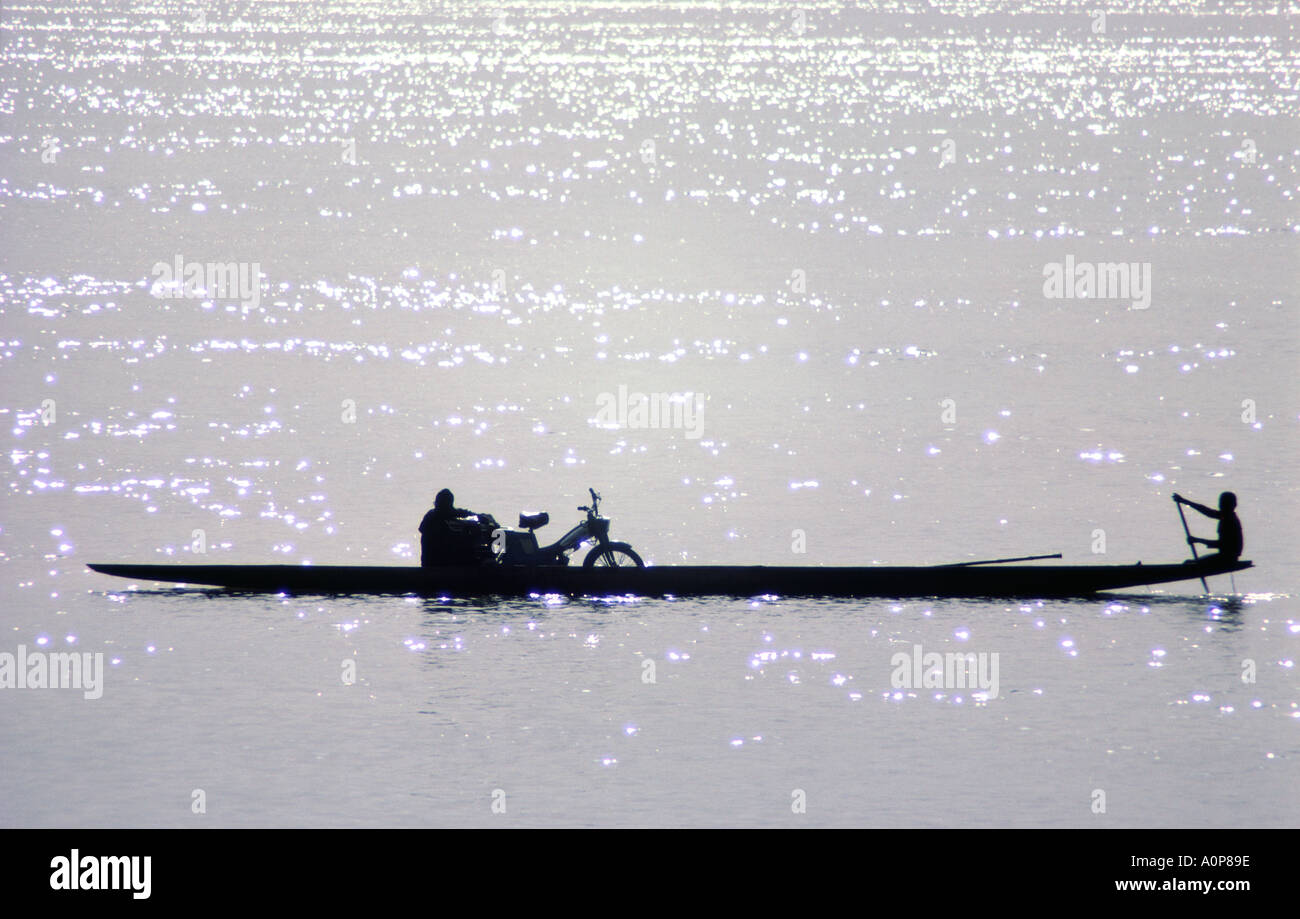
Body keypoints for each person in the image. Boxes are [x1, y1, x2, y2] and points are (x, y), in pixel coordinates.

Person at [419, 489, 488, 566]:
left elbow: (457, 512)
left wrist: (477, 515)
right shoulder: (432, 518)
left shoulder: (434, 514)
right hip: (435, 562)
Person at [1173, 491, 1243, 560]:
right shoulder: (1225, 516)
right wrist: (1183, 501)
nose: (1221, 506)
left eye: (1224, 504)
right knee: (1190, 562)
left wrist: (1197, 540)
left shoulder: (1230, 521)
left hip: (1228, 558)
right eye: (1221, 503)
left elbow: (1222, 544)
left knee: (1191, 563)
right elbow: (1207, 511)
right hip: (1225, 556)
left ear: (1233, 505)